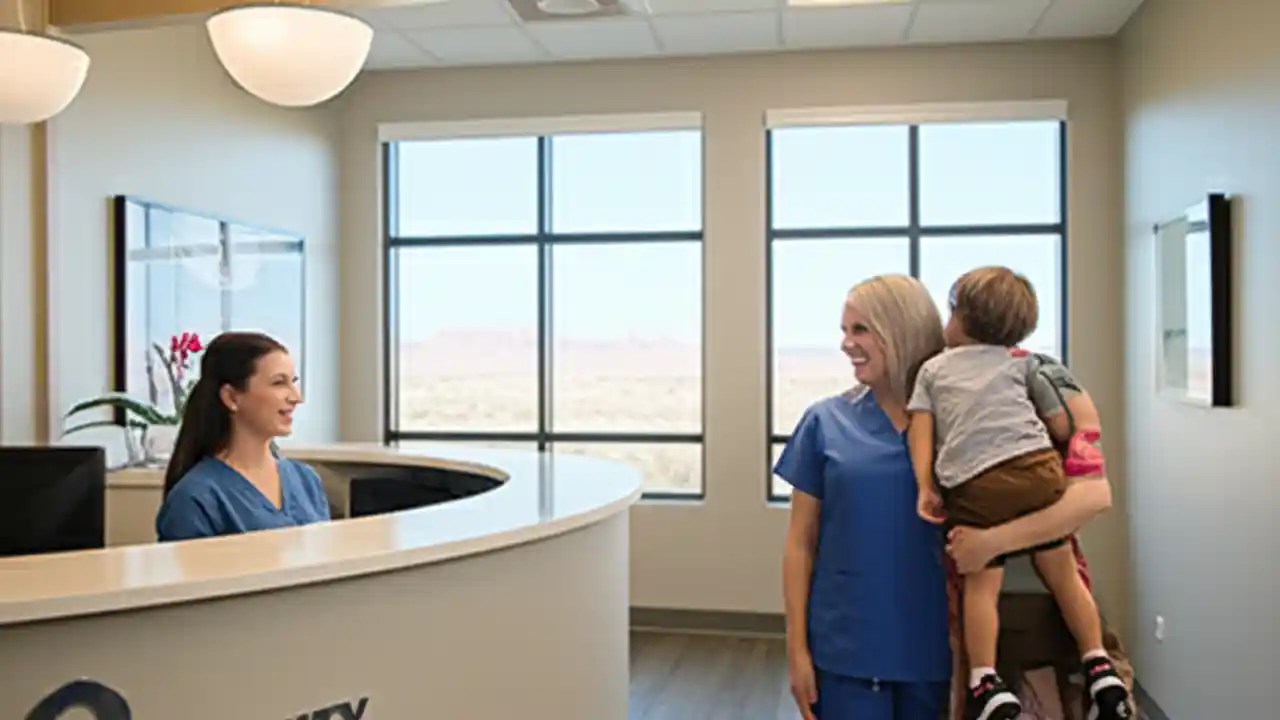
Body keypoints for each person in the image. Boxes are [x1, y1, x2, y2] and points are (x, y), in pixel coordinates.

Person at [777, 274, 1124, 720]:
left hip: (944, 655)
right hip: (845, 651)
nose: (845, 344)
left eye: (859, 330)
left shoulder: (981, 418)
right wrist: (796, 651)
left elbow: (1091, 496)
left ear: (898, 329)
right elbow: (799, 545)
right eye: (844, 330)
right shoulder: (824, 422)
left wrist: (992, 544)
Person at [905, 266, 1133, 720]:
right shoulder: (1026, 367)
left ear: (961, 317)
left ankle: (985, 682)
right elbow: (1076, 430)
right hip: (1039, 476)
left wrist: (982, 535)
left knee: (982, 590)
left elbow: (1094, 496)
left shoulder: (938, 371)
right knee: (1065, 577)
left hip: (985, 511)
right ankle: (1098, 665)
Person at [154, 331, 330, 542]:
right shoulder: (195, 498)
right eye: (279, 383)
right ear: (231, 397)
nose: (296, 397)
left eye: (293, 382)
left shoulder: (306, 480)